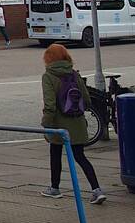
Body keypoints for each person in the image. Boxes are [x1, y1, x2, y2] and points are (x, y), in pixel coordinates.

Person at [40, 43, 107, 203]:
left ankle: (55, 188)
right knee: (80, 156)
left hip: (58, 123)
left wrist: (46, 125)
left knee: (55, 154)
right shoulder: (74, 74)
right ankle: (97, 190)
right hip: (77, 122)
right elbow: (87, 99)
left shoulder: (48, 76)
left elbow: (50, 105)